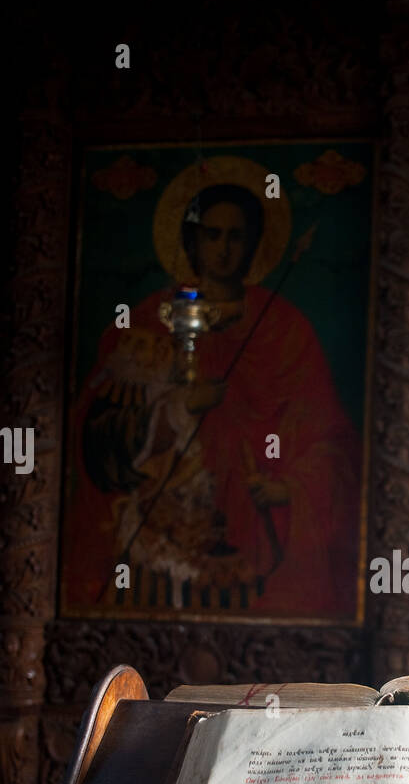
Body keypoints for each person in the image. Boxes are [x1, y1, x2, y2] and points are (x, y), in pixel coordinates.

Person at [63, 176, 362, 619]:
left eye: (235, 236)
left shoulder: (284, 328)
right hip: (160, 542)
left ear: (255, 244)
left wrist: (286, 486)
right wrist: (179, 408)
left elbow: (332, 442)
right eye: (212, 234)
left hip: (255, 547)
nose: (223, 248)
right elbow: (100, 435)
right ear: (191, 239)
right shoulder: (147, 323)